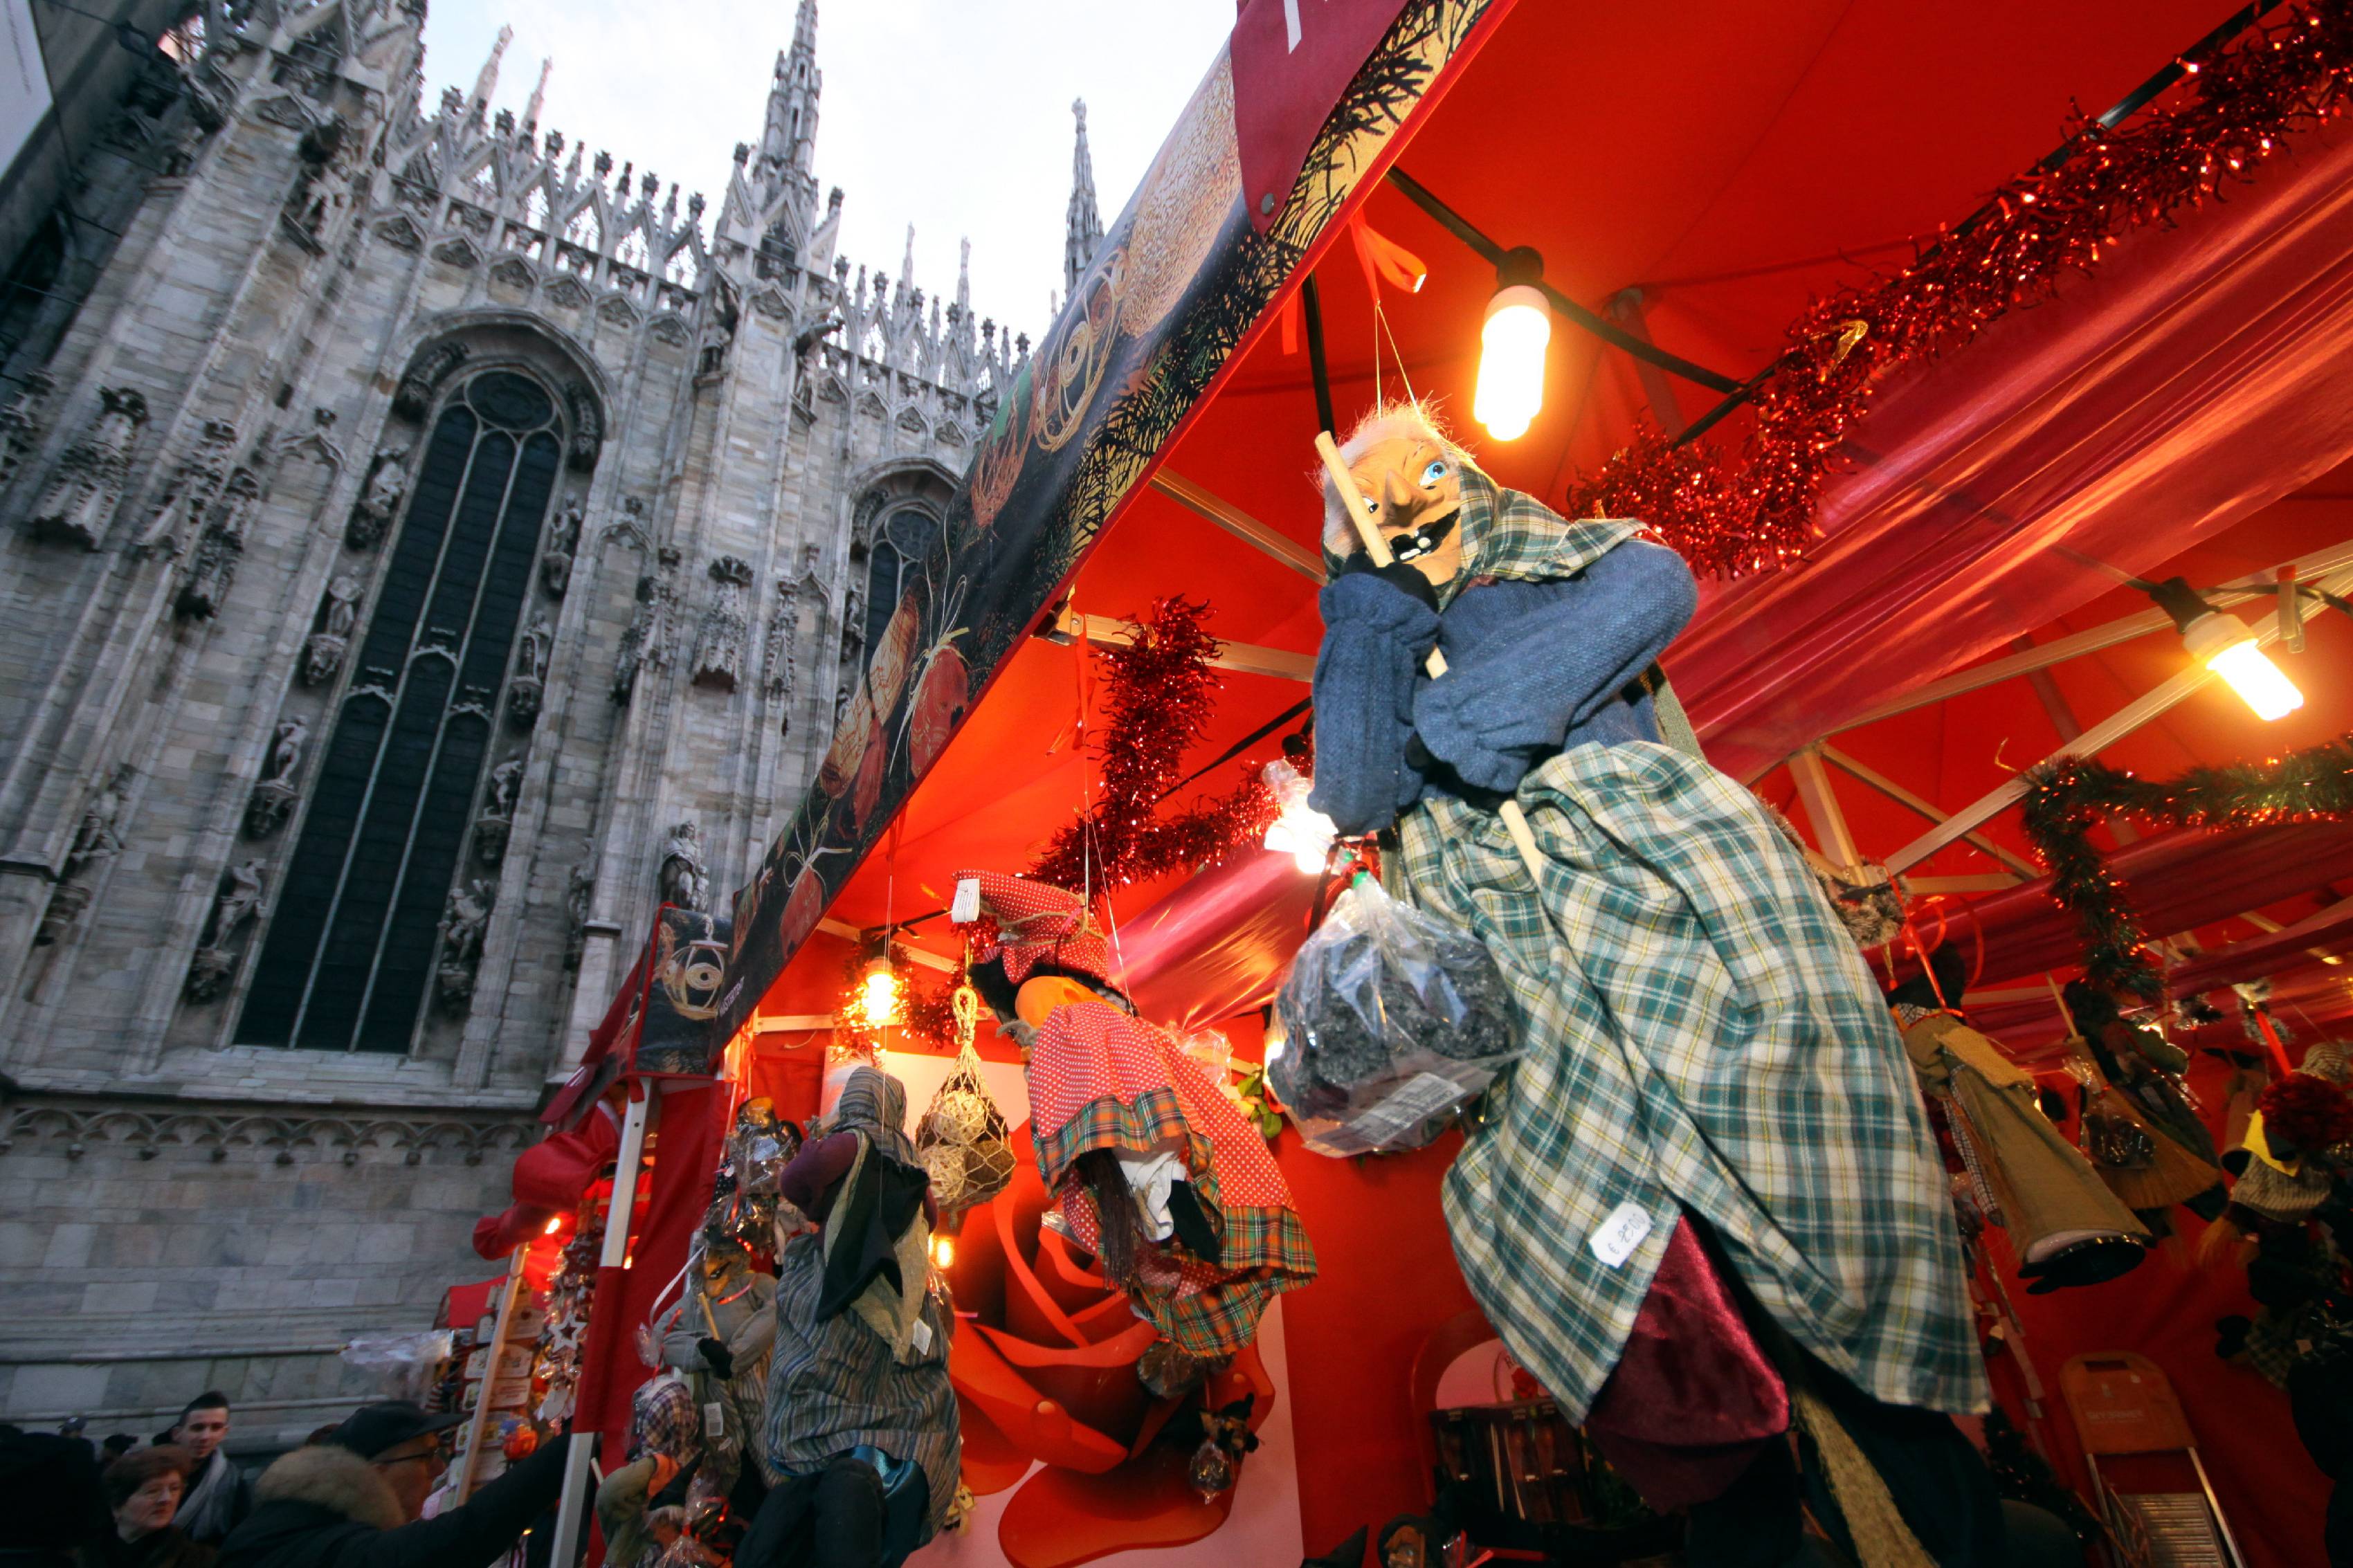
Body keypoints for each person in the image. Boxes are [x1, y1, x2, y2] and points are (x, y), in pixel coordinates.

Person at [1306, 403, 1999, 1565]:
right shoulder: (1366, 633)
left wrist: (1458, 713)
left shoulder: (1562, 559)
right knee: (1689, 1366)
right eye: (1368, 501)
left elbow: (1655, 588)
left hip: (1688, 940)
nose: (1405, 508)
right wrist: (1371, 627)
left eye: (1421, 478)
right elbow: (1358, 789)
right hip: (1545, 1026)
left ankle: (1932, 1516)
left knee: (1828, 1272)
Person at [736, 1068, 959, 1568]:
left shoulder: (849, 1143)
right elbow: (932, 1220)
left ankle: (828, 1456)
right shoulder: (914, 1166)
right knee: (890, 1379)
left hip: (841, 1285)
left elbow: (794, 1181)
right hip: (899, 1300)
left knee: (818, 1359)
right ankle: (879, 1460)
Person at [216, 1401, 579, 1568]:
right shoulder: (309, 1542)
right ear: (376, 1473)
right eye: (425, 1456)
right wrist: (575, 1443)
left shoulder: (303, 1519)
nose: (438, 1469)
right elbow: (460, 1538)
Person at [78, 1445, 212, 1568]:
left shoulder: (199, 1560)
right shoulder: (81, 1556)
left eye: (174, 1489)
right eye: (153, 1491)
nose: (167, 1499)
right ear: (118, 1504)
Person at [163, 1396, 250, 1549]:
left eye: (216, 1428)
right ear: (177, 1433)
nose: (205, 1437)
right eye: (197, 1428)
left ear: (224, 1432)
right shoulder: (149, 1471)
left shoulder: (233, 1482)